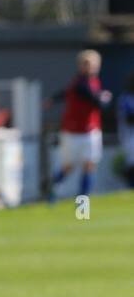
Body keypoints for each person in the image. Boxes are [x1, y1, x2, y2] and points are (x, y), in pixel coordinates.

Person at [50, 49, 110, 201]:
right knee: (69, 166)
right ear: (81, 66)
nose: (92, 67)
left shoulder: (94, 81)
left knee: (89, 165)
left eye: (94, 64)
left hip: (91, 130)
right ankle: (50, 189)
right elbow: (95, 100)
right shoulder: (80, 84)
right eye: (87, 64)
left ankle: (83, 203)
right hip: (73, 132)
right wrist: (105, 98)